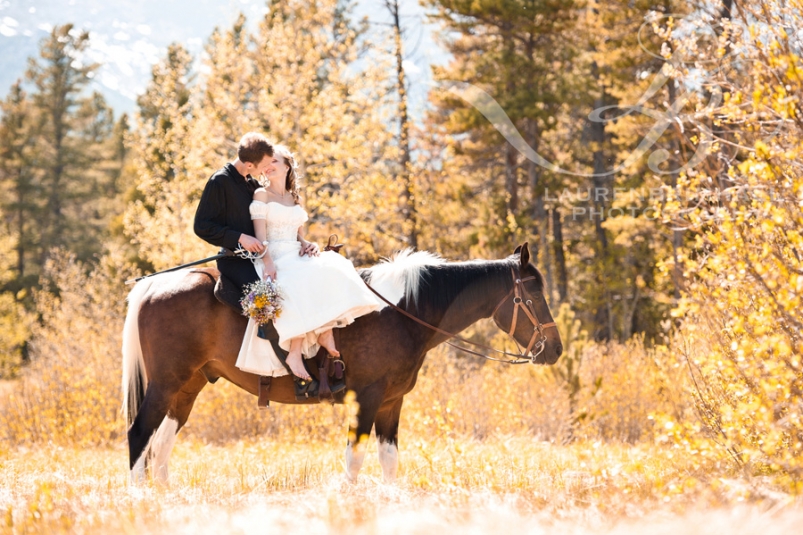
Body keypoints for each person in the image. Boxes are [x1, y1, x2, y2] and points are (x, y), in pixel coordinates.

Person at [235, 144, 383, 380]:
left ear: (287, 166)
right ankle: (294, 352)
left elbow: (297, 233)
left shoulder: (295, 198)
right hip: (273, 256)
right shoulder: (261, 194)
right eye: (267, 163)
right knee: (298, 280)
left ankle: (325, 330)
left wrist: (306, 243)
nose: (269, 166)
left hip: (295, 252)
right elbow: (261, 237)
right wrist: (269, 262)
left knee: (333, 264)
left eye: (275, 161)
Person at [193, 132, 274, 294]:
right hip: (235, 261)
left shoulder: (252, 183)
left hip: (258, 258)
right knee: (269, 297)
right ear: (250, 165)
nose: (267, 169)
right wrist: (240, 237)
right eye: (264, 165)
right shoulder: (219, 182)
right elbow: (202, 226)